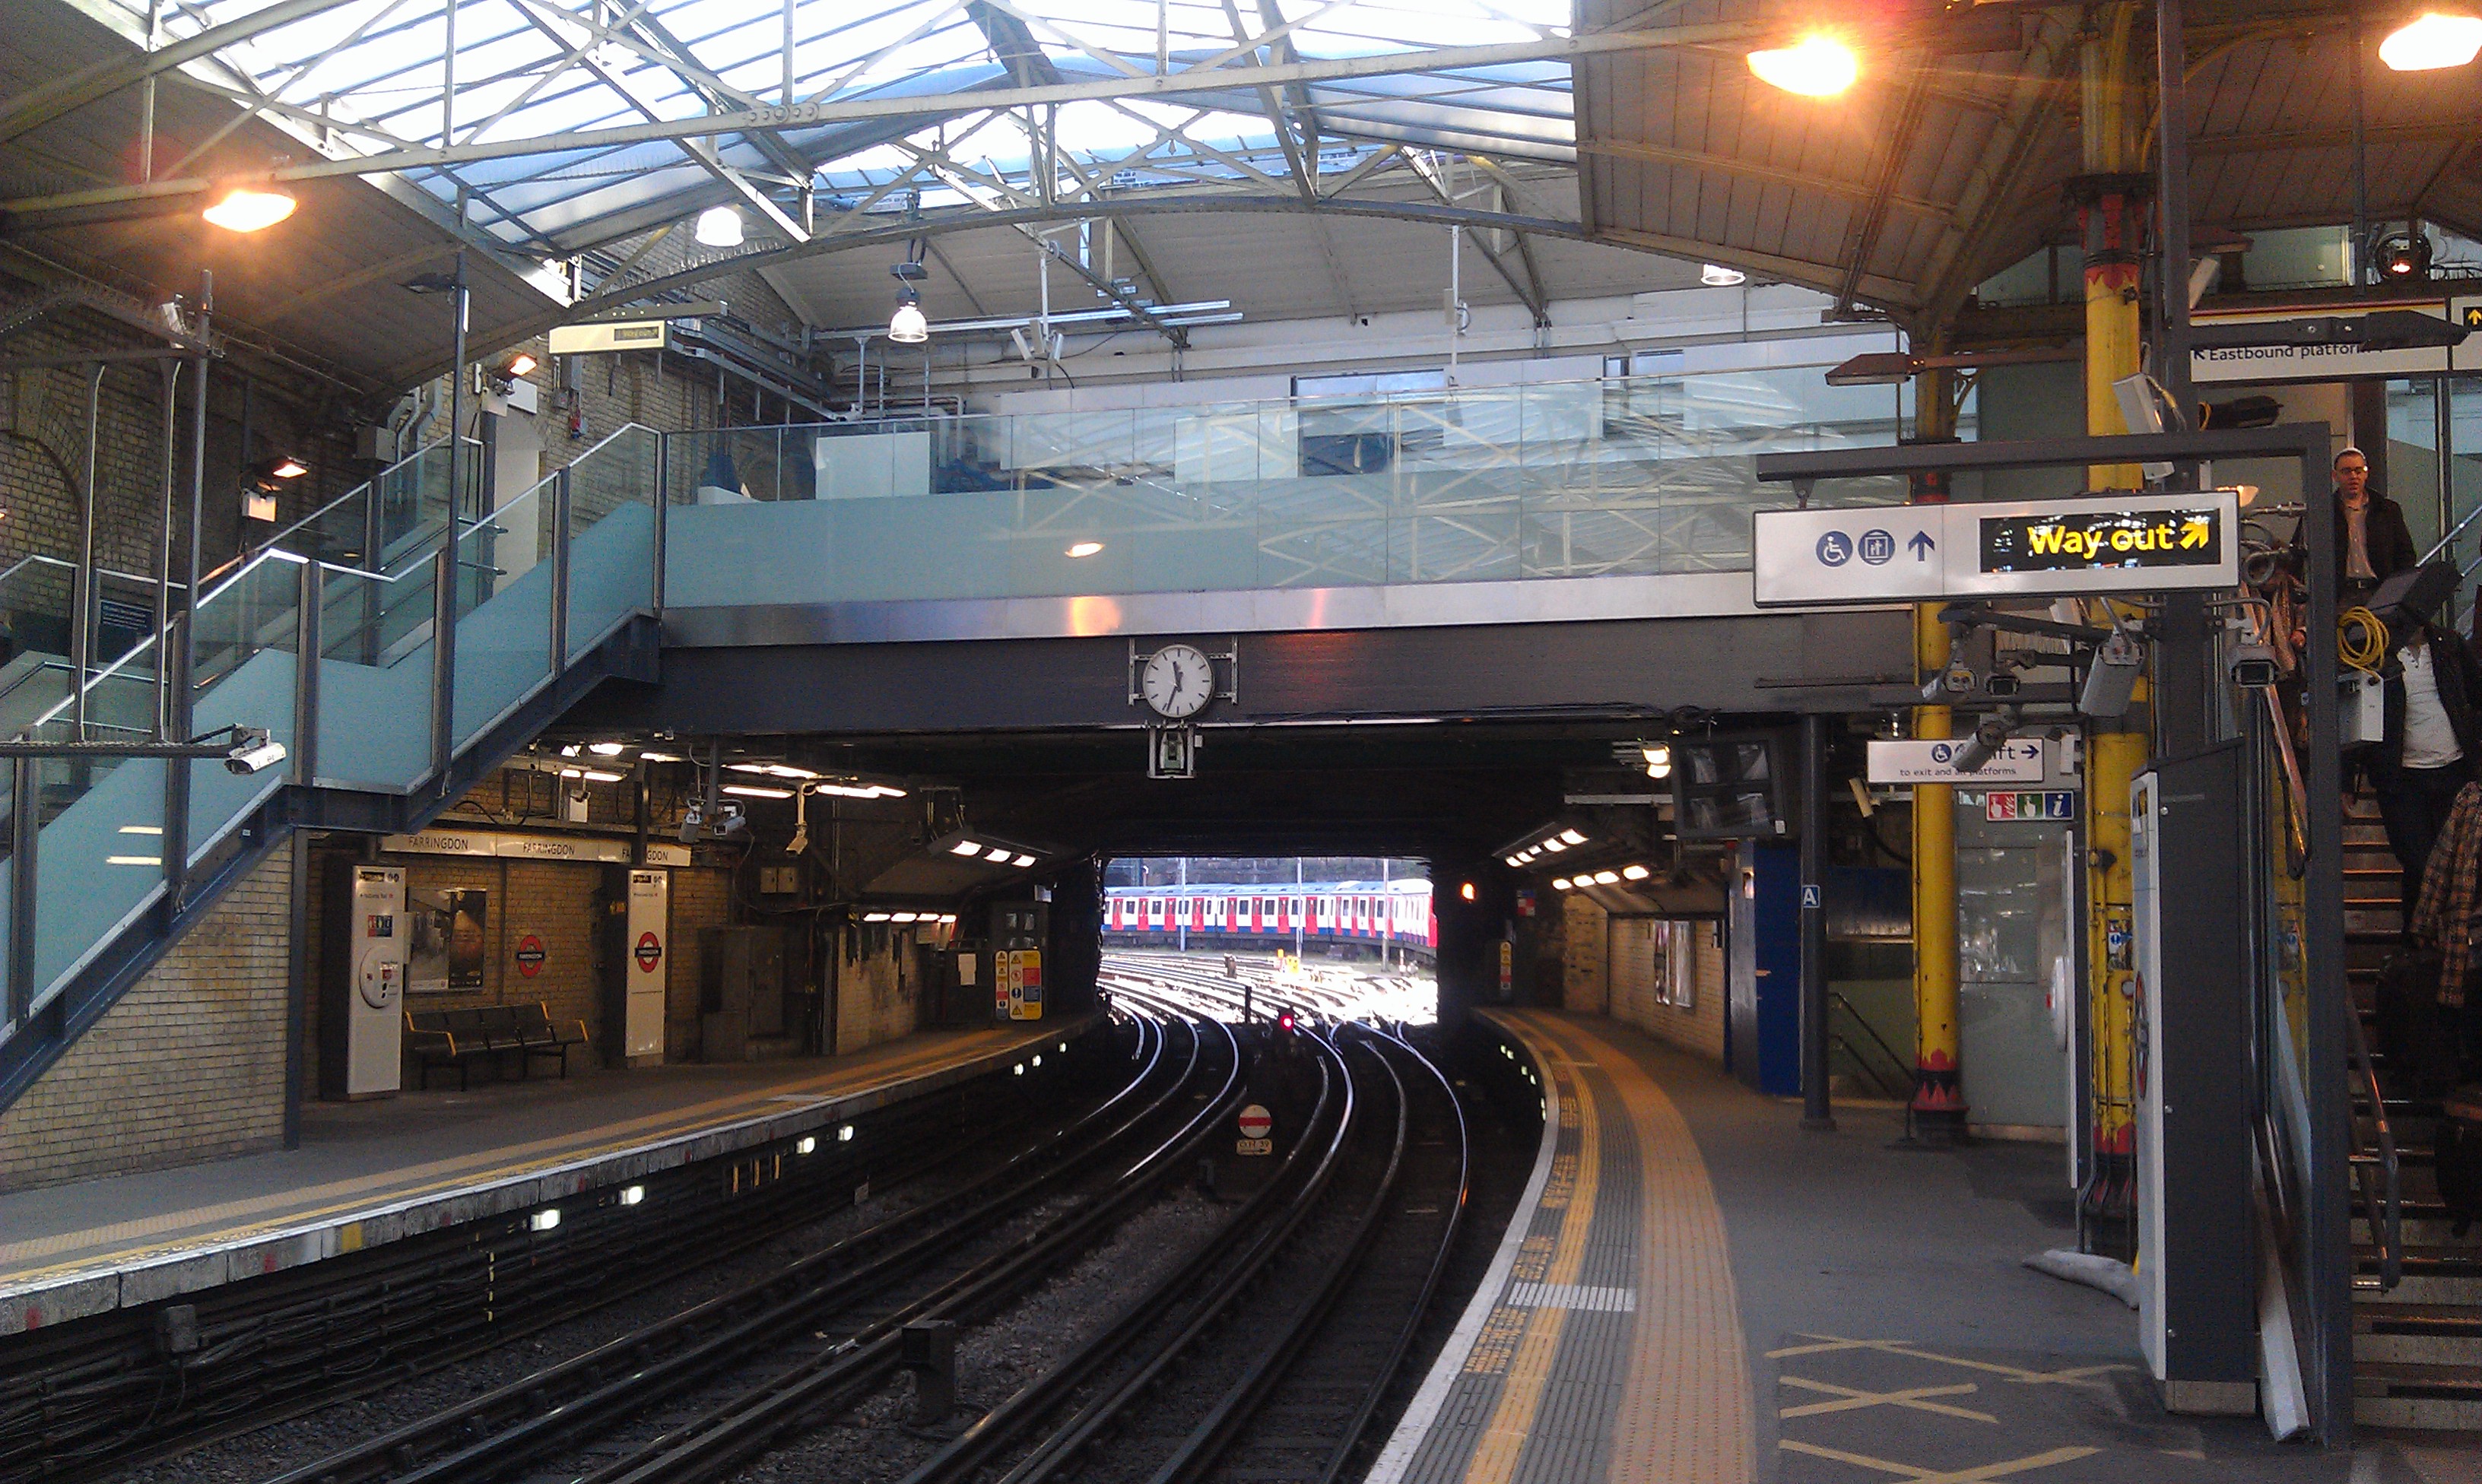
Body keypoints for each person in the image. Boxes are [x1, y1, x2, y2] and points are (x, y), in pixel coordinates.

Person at [2375, 612, 2482, 917]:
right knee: (2420, 861)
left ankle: (2432, 937)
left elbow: (2475, 694)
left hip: (2453, 769)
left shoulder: (2448, 646)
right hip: (2405, 777)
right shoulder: (2381, 652)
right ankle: (2421, 935)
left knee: (2455, 862)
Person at [2295, 446, 2417, 596]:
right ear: (2335, 476)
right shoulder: (2321, 512)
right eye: (2346, 471)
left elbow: (2405, 554)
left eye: (2358, 471)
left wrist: (2396, 590)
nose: (2353, 476)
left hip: (2380, 593)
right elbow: (2299, 551)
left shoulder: (2387, 510)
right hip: (2338, 595)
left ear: (2366, 474)